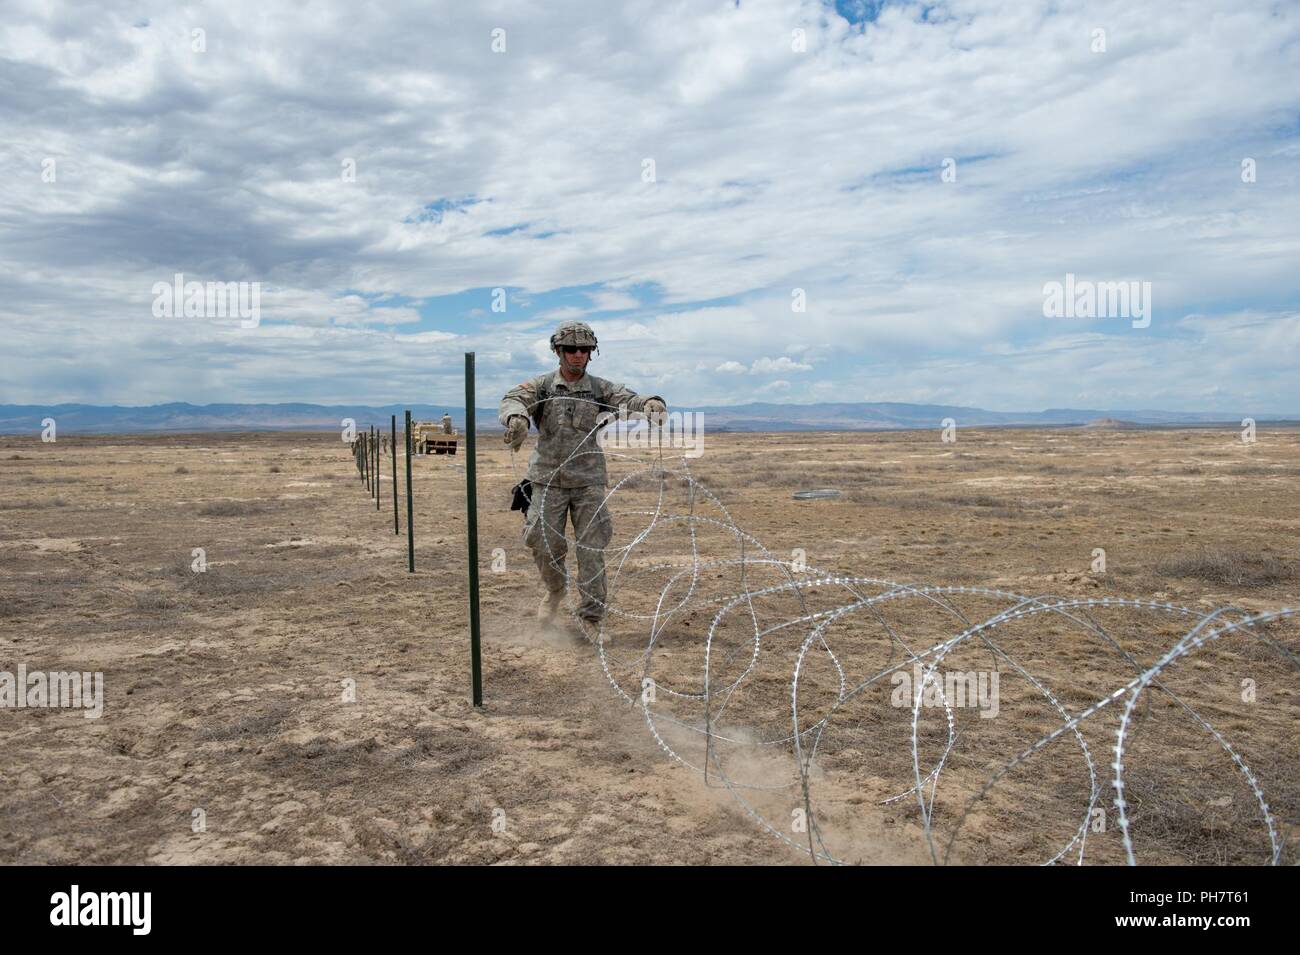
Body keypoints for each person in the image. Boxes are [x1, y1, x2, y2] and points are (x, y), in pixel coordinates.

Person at [499, 320, 667, 640]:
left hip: (588, 481)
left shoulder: (599, 389)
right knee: (542, 543)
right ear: (558, 351)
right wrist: (516, 418)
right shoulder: (544, 386)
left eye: (585, 349)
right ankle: (555, 590)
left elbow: (627, 397)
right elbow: (514, 398)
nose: (578, 355)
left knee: (592, 549)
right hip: (547, 480)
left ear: (592, 353)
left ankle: (591, 617)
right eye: (571, 349)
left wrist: (650, 403)